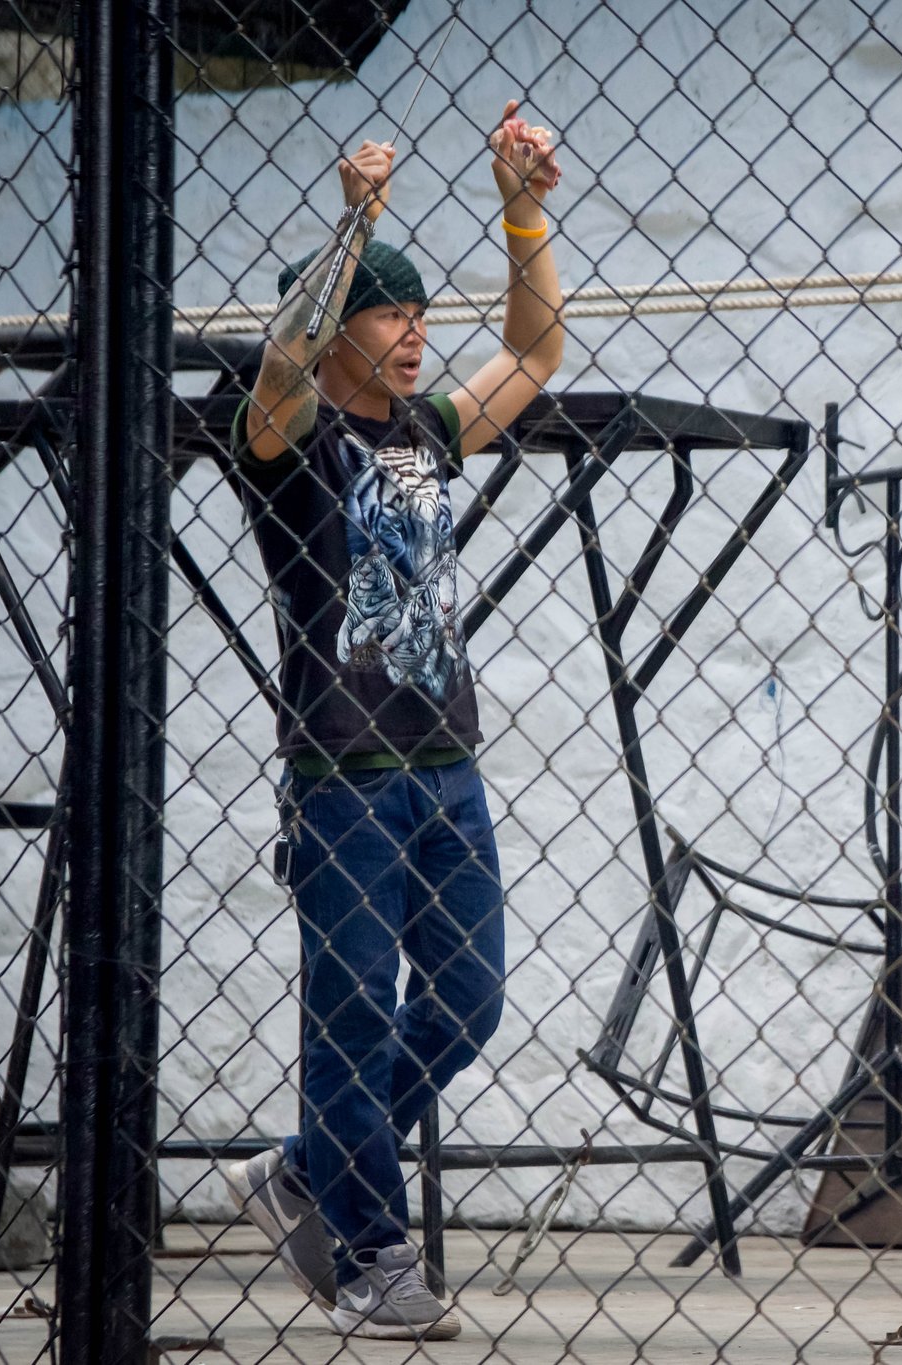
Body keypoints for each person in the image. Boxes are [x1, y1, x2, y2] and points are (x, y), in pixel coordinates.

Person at [220, 102, 564, 1341]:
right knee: (353, 1010)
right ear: (338, 330)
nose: (415, 333)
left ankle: (306, 1166)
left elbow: (533, 354)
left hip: (445, 766)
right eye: (388, 314)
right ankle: (368, 1251)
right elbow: (276, 365)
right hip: (344, 775)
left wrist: (520, 214)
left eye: (420, 314)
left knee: (466, 999)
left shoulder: (424, 434)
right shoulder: (288, 446)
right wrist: (353, 226)